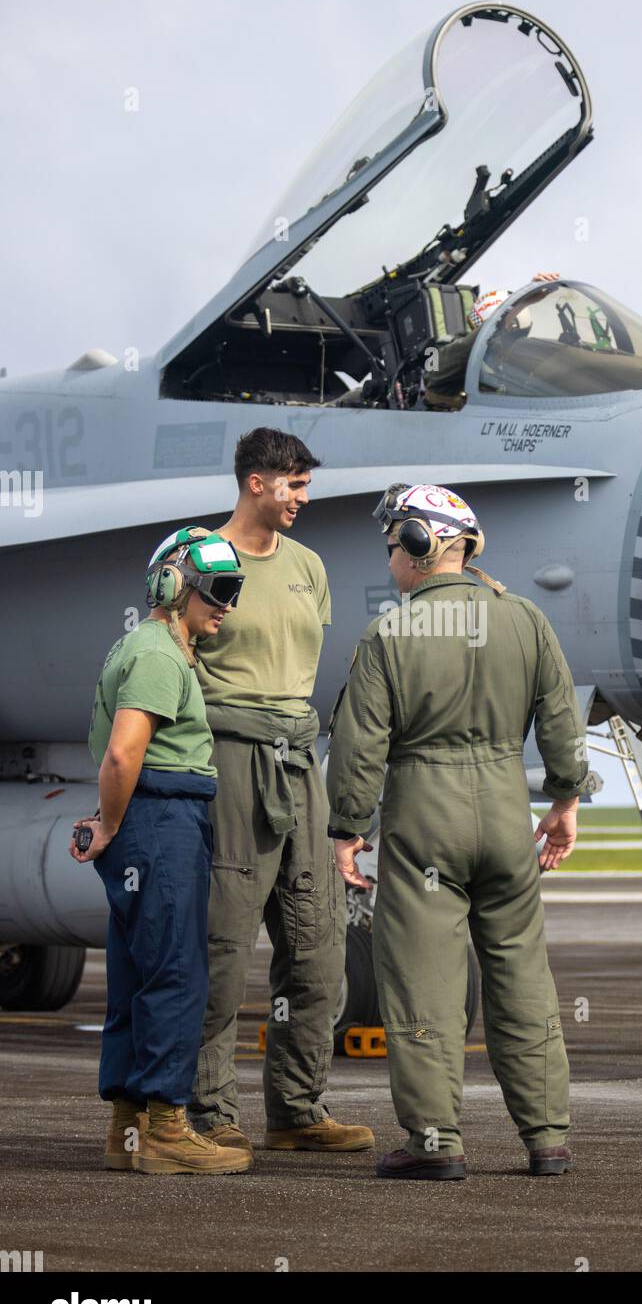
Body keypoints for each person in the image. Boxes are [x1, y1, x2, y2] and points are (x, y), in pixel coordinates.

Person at [326, 483, 586, 1180]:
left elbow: (359, 748)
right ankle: (547, 1139)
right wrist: (564, 803)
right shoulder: (526, 619)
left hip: (423, 822)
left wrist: (347, 829)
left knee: (423, 984)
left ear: (422, 542)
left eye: (392, 547)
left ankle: (435, 1142)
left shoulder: (389, 634)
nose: (388, 564)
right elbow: (561, 724)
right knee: (522, 977)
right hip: (505, 817)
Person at [187, 427, 373, 1157]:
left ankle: (296, 1109)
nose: (302, 497)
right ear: (255, 483)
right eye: (292, 484)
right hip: (227, 758)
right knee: (222, 944)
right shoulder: (198, 556)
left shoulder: (308, 566)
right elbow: (173, 652)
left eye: (305, 484)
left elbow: (298, 665)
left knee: (318, 946)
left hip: (299, 762)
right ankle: (206, 1113)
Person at [70, 526, 251, 1175]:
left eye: (234, 590)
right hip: (161, 823)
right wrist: (114, 826)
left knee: (135, 974)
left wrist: (111, 824)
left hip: (146, 821)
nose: (227, 603)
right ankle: (170, 1128)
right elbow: (123, 752)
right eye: (218, 590)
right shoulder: (157, 655)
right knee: (175, 971)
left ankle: (127, 1127)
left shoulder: (145, 646)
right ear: (174, 586)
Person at [424, 271, 560, 407]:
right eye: (507, 338)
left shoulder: (510, 368)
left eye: (520, 337)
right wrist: (520, 303)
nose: (511, 346)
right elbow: (467, 347)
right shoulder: (443, 358)